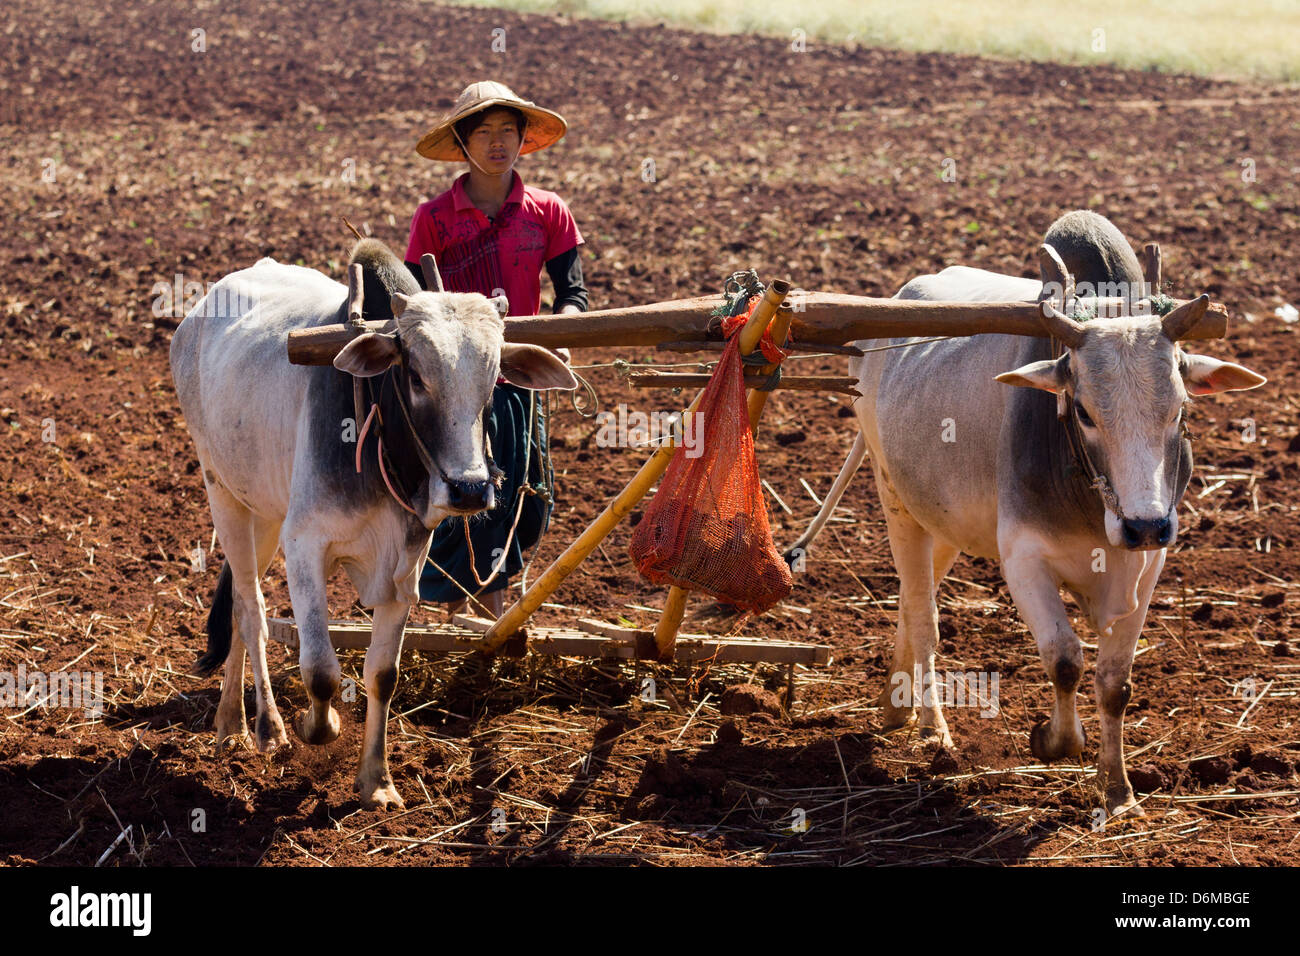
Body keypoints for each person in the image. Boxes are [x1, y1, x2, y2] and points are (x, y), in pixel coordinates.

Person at [405, 81, 588, 618]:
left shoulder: (549, 211)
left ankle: (490, 620)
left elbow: (572, 293)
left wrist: (565, 332)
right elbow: (418, 306)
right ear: (462, 144)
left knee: (521, 504)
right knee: (464, 495)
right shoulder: (433, 218)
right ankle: (467, 620)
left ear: (523, 137)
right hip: (454, 387)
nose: (496, 142)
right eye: (482, 132)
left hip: (515, 378)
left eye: (507, 130)